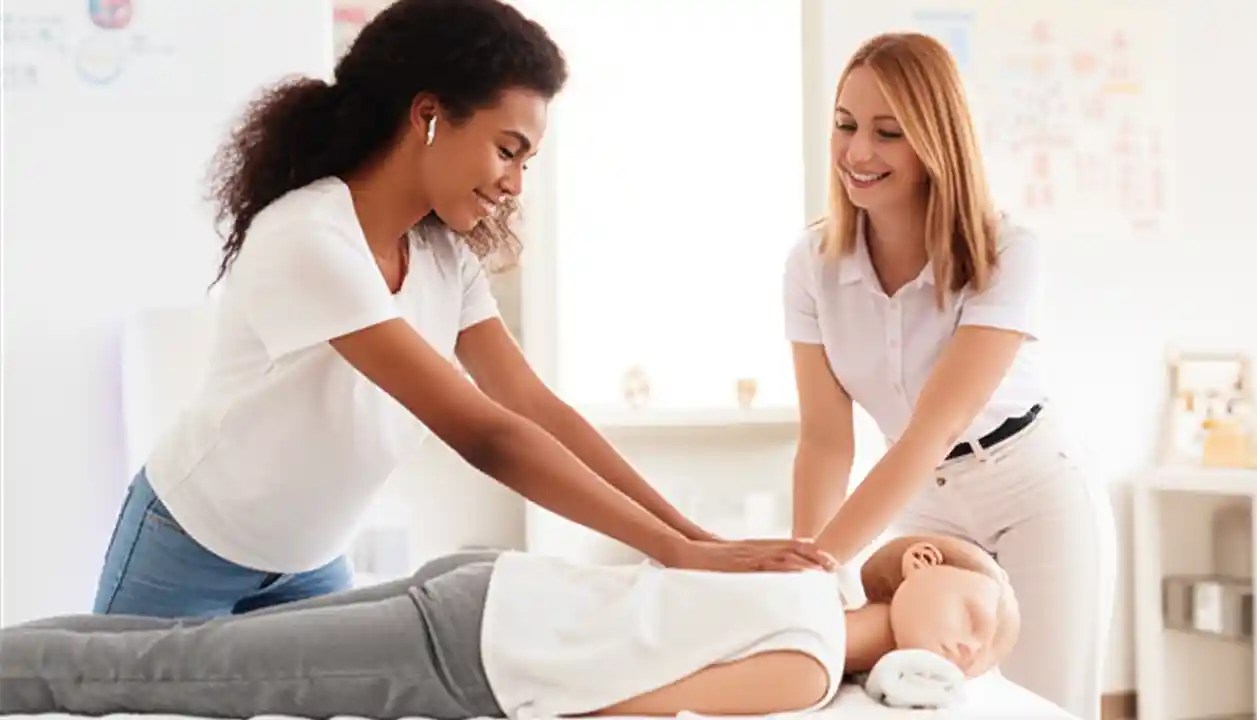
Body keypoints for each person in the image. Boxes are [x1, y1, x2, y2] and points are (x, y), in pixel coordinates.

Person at [93, 0, 835, 620]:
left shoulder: (445, 255)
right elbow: (485, 434)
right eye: (507, 149)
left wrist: (693, 538)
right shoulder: (309, 237)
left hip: (312, 564)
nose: (514, 184)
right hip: (187, 547)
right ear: (428, 116)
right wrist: (676, 551)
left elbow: (534, 407)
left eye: (526, 161)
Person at [784, 32, 1114, 719]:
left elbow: (935, 427)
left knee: (1046, 705)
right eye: (845, 125)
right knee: (926, 698)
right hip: (928, 509)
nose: (857, 152)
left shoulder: (1005, 252)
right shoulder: (814, 263)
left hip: (1033, 490)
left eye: (889, 132)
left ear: (936, 139)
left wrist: (813, 570)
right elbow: (824, 440)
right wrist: (809, 570)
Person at [1, 534, 1016, 719]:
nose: (974, 649)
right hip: (478, 648)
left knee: (168, 655)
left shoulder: (807, 600)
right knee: (172, 674)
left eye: (986, 655)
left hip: (492, 593)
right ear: (922, 562)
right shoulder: (808, 646)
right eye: (978, 614)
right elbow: (622, 705)